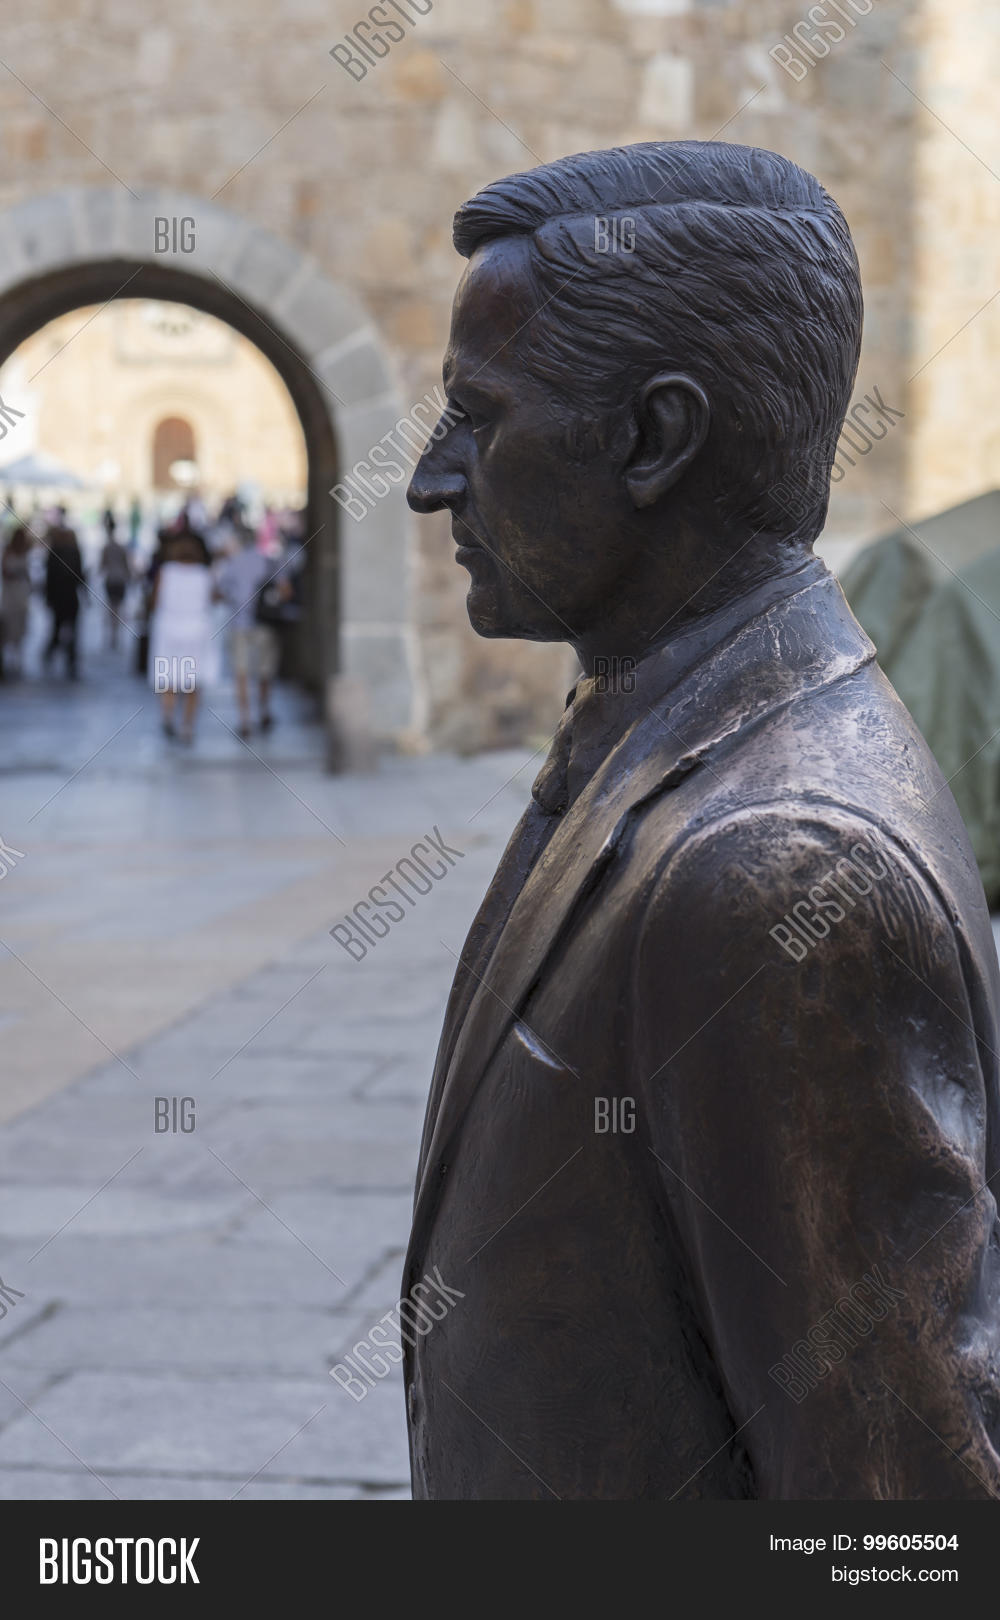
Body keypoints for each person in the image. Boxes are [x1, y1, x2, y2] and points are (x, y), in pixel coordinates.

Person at [398, 142, 1000, 1500]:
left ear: (657, 439)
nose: (434, 479)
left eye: (480, 420)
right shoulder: (658, 734)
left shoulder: (774, 866)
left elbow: (895, 1509)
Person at [215, 522, 284, 738]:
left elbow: (220, 591)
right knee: (264, 672)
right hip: (263, 623)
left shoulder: (232, 564)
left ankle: (245, 720)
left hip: (239, 624)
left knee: (241, 673)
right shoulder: (268, 561)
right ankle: (263, 711)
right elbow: (285, 590)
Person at [148, 533, 216, 742]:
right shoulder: (204, 574)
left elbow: (156, 600)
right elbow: (211, 600)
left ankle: (168, 715)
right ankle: (187, 725)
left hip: (169, 628)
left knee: (168, 676)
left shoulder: (166, 572)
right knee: (193, 680)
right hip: (196, 629)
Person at [42, 508, 84, 679]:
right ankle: (65, 658)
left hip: (63, 597)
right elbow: (79, 576)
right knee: (65, 629)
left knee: (59, 628)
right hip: (67, 597)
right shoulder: (63, 553)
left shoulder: (58, 553)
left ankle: (59, 655)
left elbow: (50, 578)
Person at [0, 526, 32, 679]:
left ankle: (17, 658)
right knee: (9, 627)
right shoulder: (8, 552)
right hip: (10, 596)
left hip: (21, 595)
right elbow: (5, 573)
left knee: (20, 628)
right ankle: (10, 658)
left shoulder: (25, 552)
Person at [99, 519, 131, 649]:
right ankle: (116, 635)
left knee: (112, 608)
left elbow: (102, 565)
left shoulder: (106, 547)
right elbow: (126, 565)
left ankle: (113, 635)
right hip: (120, 579)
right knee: (118, 608)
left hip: (111, 579)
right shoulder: (121, 547)